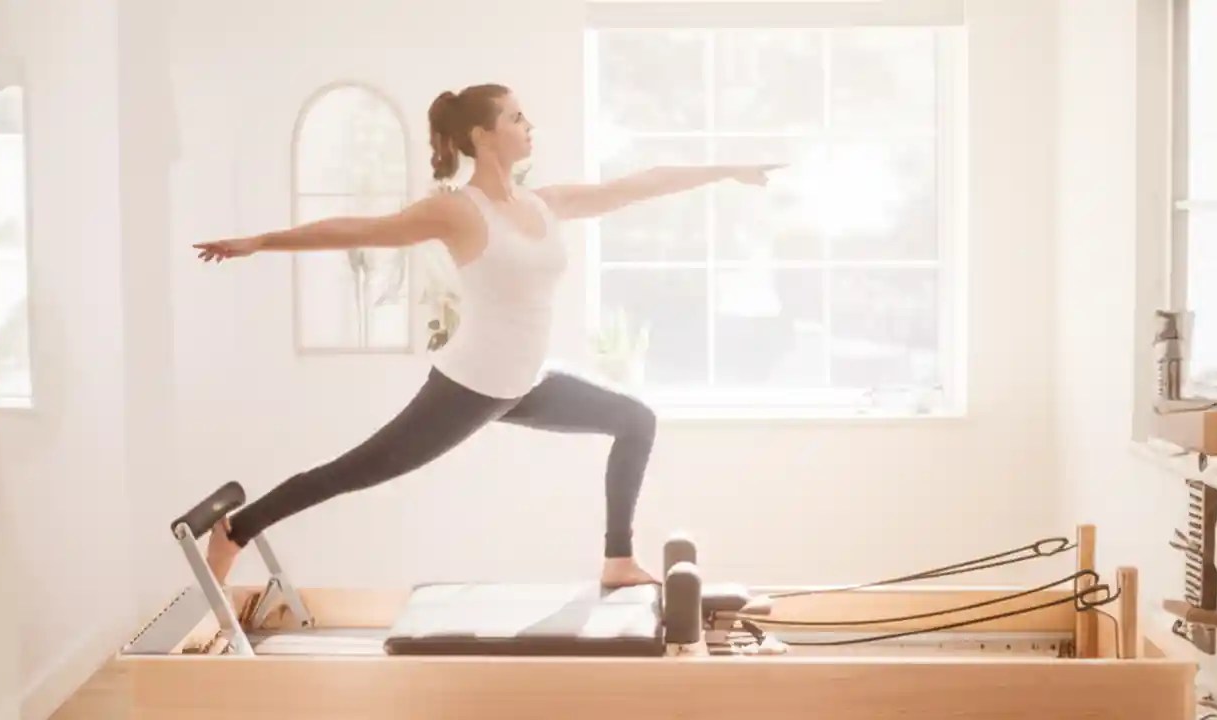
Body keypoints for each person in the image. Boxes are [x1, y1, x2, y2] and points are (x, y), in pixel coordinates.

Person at [193, 83, 781, 588]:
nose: (530, 126)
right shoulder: (458, 212)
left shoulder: (544, 202)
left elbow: (636, 185)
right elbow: (363, 230)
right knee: (354, 471)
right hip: (469, 387)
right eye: (517, 117)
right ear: (481, 135)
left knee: (636, 420)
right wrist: (262, 242)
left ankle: (618, 559)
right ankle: (236, 531)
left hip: (525, 382)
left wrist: (723, 170)